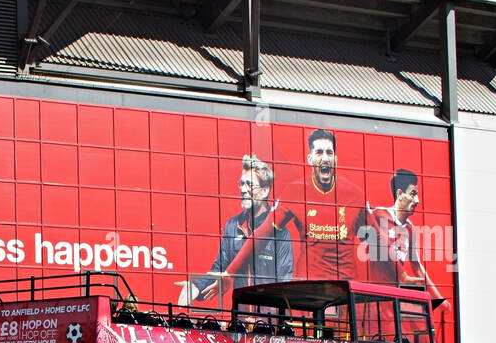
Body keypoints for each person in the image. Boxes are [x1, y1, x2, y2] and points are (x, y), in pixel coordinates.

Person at [181, 155, 296, 304]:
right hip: (240, 319)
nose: (243, 189)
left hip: (268, 320)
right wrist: (196, 286)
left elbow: (284, 282)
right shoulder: (233, 225)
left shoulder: (279, 232)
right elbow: (221, 268)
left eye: (249, 184)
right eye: (241, 184)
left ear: (265, 190)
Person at [298, 129, 368, 281]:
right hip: (309, 286)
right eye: (319, 152)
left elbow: (375, 238)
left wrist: (400, 275)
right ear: (310, 159)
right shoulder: (296, 190)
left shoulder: (355, 194)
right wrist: (232, 271)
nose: (325, 158)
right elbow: (263, 234)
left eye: (329, 153)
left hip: (344, 288)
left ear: (335, 159)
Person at [367, 169, 445, 303]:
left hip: (392, 297)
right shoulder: (378, 215)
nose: (417, 200)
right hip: (371, 294)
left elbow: (417, 267)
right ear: (400, 194)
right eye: (413, 194)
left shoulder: (409, 229)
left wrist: (440, 300)